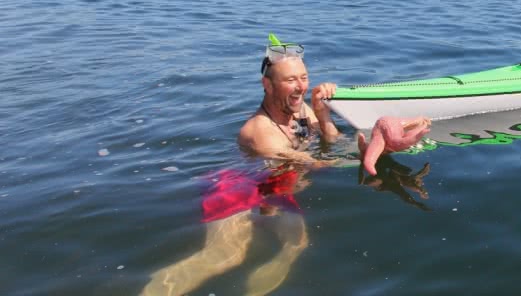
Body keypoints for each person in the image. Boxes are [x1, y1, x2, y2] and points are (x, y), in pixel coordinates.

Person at [142, 35, 430, 296]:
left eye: (304, 77)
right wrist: (372, 154)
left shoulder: (301, 109)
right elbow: (318, 163)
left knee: (296, 243)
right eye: (291, 80)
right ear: (267, 85)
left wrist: (322, 112)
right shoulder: (259, 132)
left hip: (277, 186)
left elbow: (331, 141)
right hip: (238, 185)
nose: (301, 86)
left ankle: (257, 284)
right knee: (225, 255)